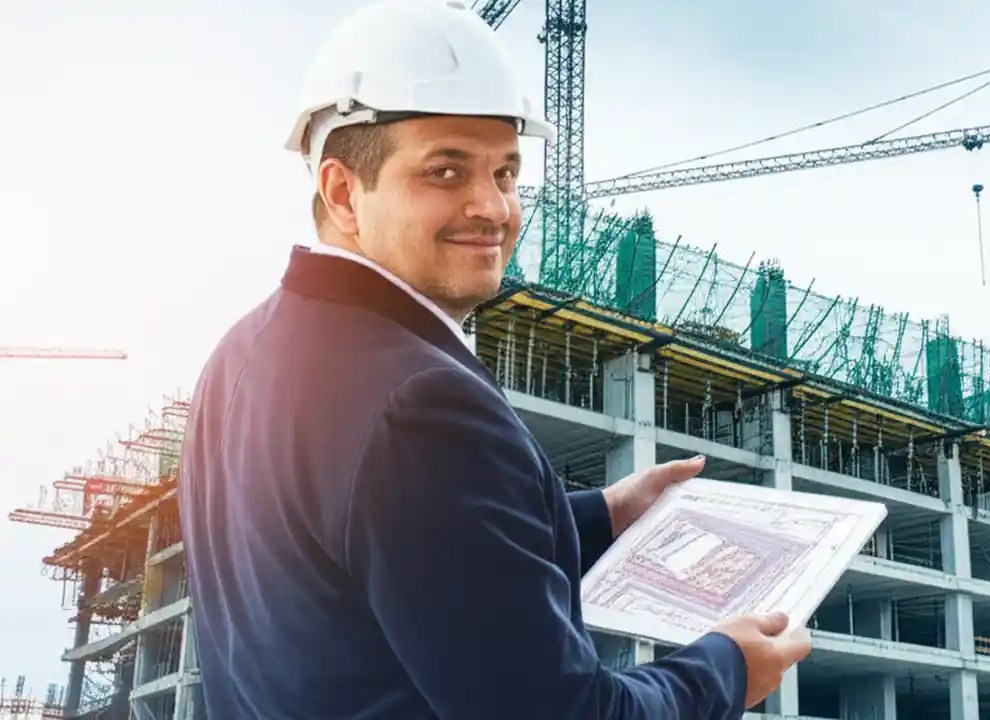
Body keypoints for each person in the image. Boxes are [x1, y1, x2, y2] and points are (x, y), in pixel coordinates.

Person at [176, 0, 811, 717]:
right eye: (446, 172)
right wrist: (724, 667)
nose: (494, 207)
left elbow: (399, 552)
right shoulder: (420, 402)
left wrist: (606, 513)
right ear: (344, 192)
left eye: (506, 173)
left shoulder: (240, 358)